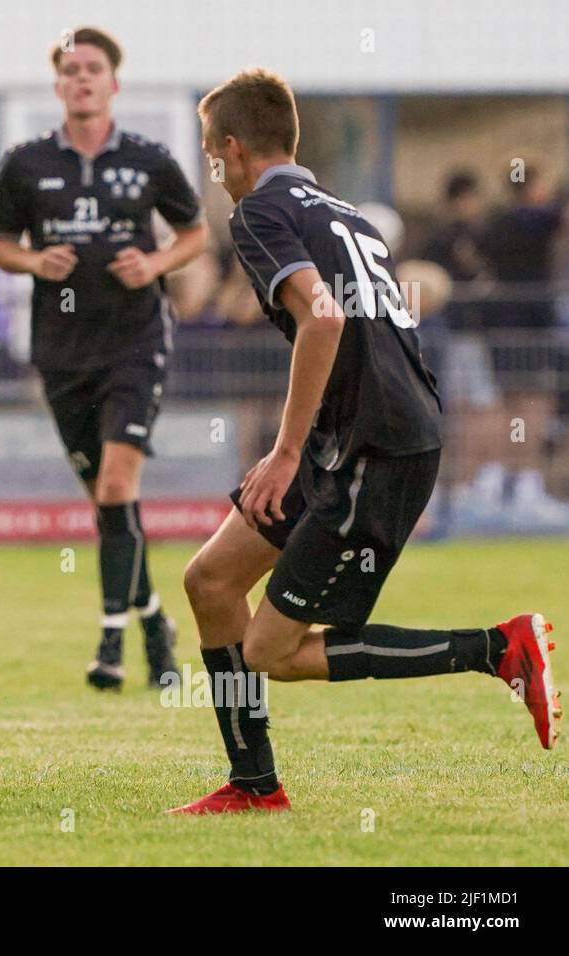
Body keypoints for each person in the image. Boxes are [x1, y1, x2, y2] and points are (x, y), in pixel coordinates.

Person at [172, 68, 559, 815]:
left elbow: (324, 320)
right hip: (358, 436)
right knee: (212, 582)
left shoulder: (258, 212)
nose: (212, 172)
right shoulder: (346, 212)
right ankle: (254, 787)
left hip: (374, 448)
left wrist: (285, 451)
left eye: (209, 155)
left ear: (232, 148)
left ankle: (498, 648)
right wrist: (306, 441)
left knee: (270, 654)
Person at [0, 26, 208, 691]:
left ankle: (112, 644)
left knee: (117, 487)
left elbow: (195, 233)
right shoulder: (25, 163)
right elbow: (0, 243)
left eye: (93, 69)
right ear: (58, 85)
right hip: (61, 352)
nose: (81, 78)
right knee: (110, 504)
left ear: (114, 83)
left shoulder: (148, 159)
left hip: (135, 343)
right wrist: (33, 260)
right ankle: (155, 624)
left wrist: (157, 261)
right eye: (70, 69)